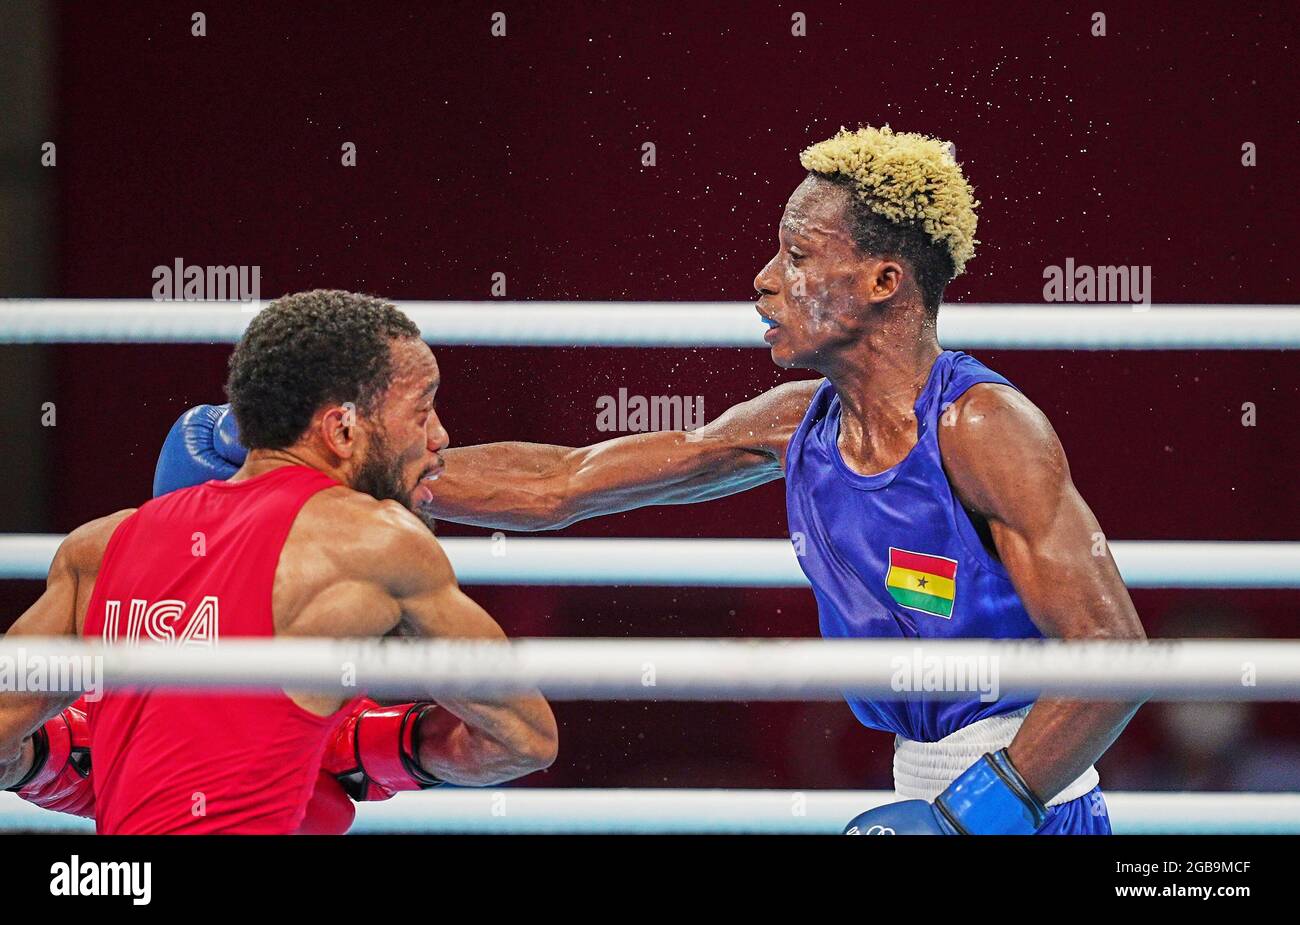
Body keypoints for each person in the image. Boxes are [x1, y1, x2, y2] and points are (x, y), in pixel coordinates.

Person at [147, 125, 1149, 834]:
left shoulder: (982, 427)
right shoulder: (796, 422)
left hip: (1030, 796)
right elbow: (567, 482)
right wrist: (344, 467)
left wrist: (978, 811)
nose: (764, 279)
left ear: (884, 281)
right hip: (924, 786)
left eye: (798, 255)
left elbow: (1114, 655)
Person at [0, 290, 557, 834]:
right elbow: (525, 739)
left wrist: (91, 775)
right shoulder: (378, 543)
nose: (439, 435)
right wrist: (367, 748)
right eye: (422, 411)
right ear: (343, 429)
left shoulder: (97, 549)